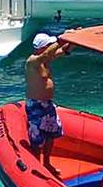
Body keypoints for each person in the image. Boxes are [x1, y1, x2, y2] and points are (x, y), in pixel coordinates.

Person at [25, 32, 74, 172]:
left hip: (47, 104)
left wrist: (72, 41)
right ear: (42, 47)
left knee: (51, 134)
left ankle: (46, 163)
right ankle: (36, 166)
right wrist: (60, 39)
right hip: (36, 105)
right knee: (37, 138)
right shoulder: (33, 61)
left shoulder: (45, 60)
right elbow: (46, 54)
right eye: (49, 45)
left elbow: (64, 51)